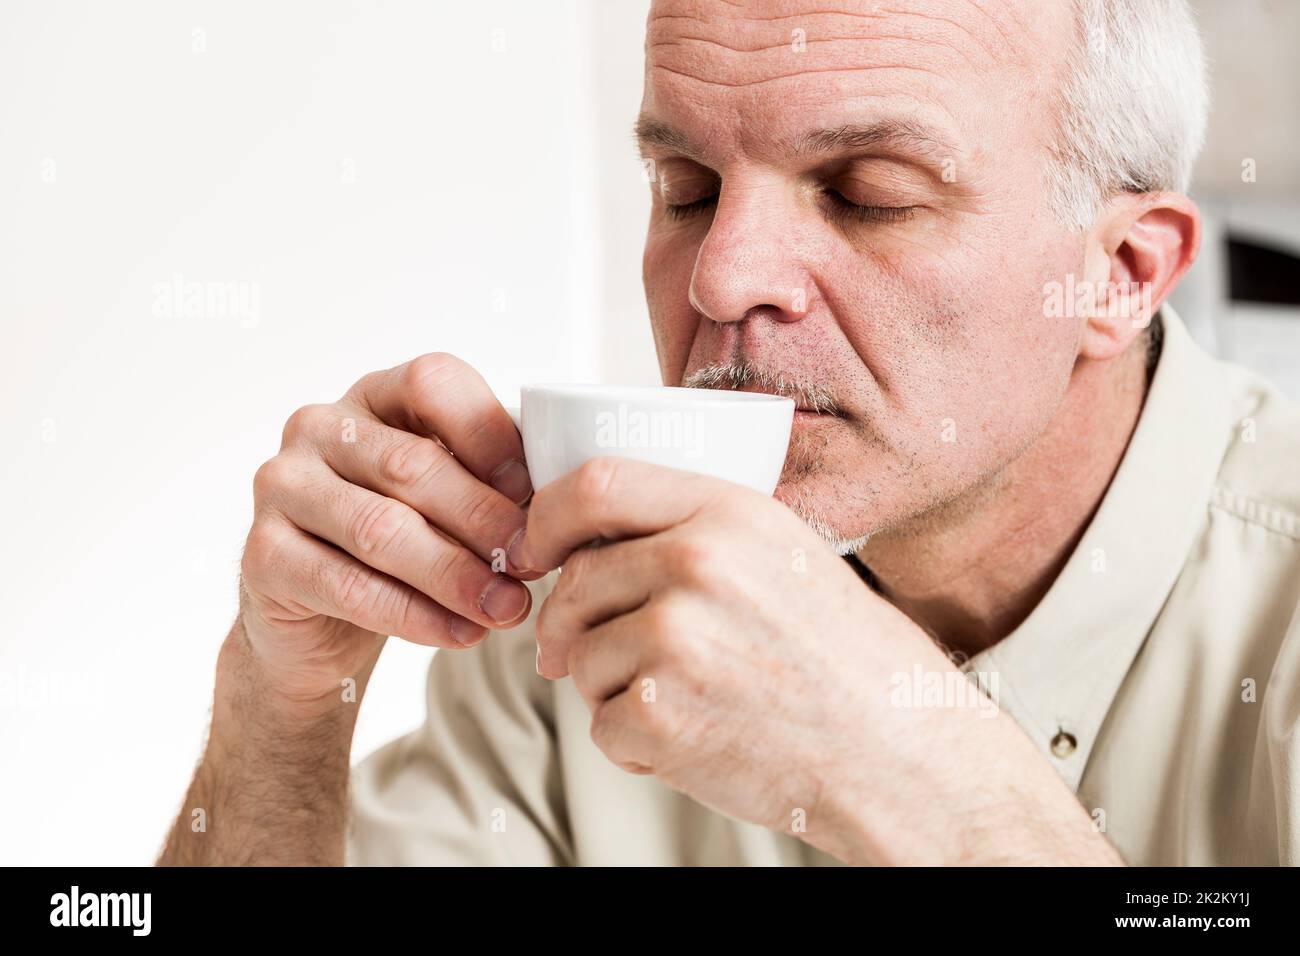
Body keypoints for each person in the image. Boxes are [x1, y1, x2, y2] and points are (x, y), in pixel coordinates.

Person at [158, 0, 1300, 866]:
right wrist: (280, 705)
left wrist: (919, 774)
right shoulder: (575, 607)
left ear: (1121, 275)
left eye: (867, 191)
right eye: (687, 186)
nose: (720, 274)